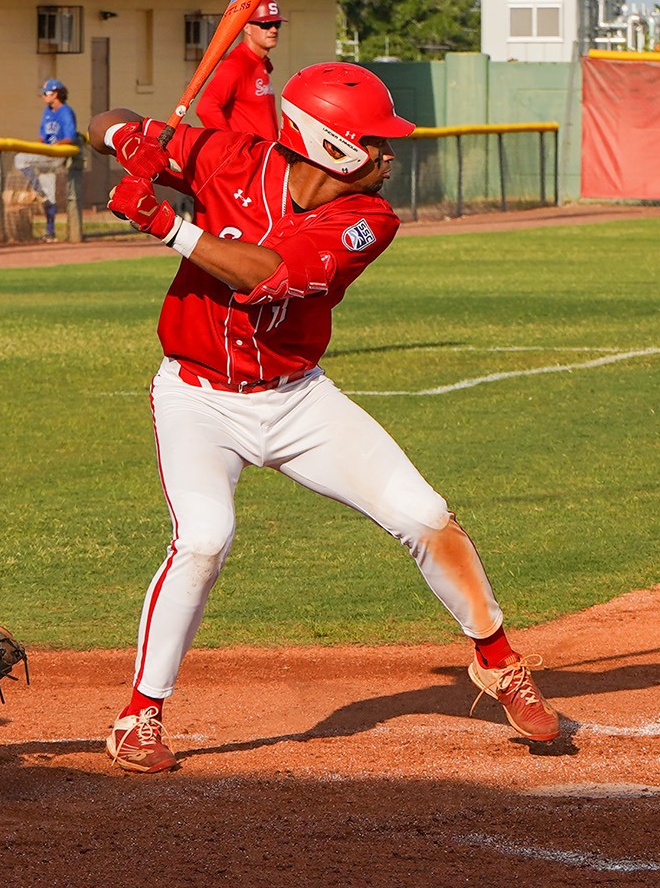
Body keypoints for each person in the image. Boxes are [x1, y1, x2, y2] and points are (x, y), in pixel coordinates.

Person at [87, 62, 557, 774]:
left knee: (424, 513)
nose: (388, 155)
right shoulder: (225, 157)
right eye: (375, 141)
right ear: (331, 142)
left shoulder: (368, 219)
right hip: (198, 398)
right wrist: (130, 143)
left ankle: (498, 662)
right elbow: (104, 120)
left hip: (298, 399)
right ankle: (138, 717)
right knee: (205, 540)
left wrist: (163, 222)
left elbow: (263, 272)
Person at [195, 0, 283, 140]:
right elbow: (206, 107)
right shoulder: (236, 64)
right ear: (246, 26)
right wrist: (231, 145)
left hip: (265, 156)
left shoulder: (260, 62)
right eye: (266, 24)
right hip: (249, 159)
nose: (273, 30)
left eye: (276, 24)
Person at [17, 80, 77, 241]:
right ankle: (50, 232)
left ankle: (38, 191)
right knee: (50, 196)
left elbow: (69, 137)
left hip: (57, 154)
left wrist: (56, 146)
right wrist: (37, 148)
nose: (43, 97)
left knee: (20, 159)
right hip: (46, 155)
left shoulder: (65, 111)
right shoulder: (47, 111)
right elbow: (42, 137)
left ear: (55, 94)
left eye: (46, 93)